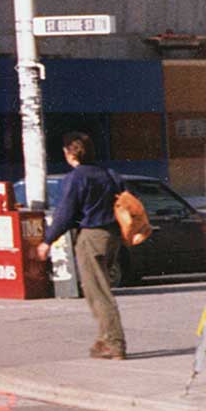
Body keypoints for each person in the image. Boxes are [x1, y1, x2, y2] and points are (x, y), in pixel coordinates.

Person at [34, 131, 126, 359]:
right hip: (113, 235)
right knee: (99, 288)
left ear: (69, 153)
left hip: (92, 238)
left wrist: (47, 241)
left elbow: (65, 214)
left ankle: (114, 343)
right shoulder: (108, 174)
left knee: (98, 292)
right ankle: (104, 340)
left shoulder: (76, 178)